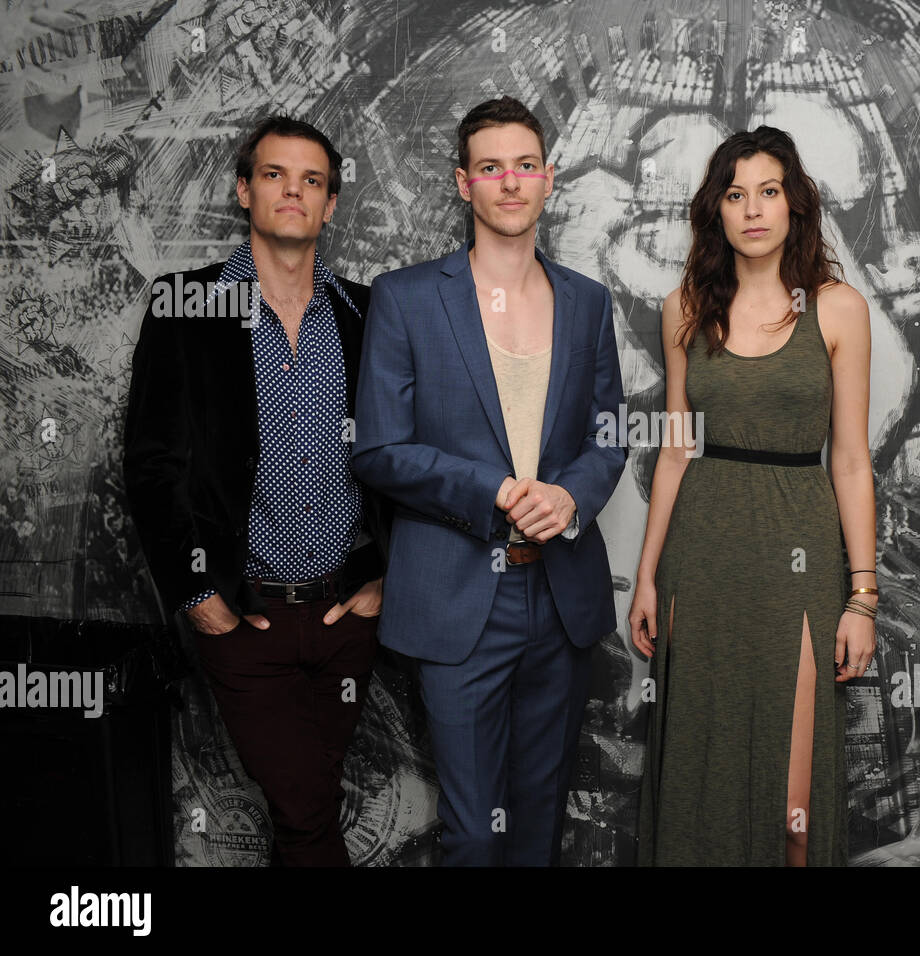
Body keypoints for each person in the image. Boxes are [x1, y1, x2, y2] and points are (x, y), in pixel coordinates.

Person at [350, 96, 626, 866]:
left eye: (526, 165)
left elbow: (609, 433)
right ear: (462, 183)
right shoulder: (405, 298)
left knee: (539, 821)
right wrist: (494, 491)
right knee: (474, 832)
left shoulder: (587, 302)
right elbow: (377, 449)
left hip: (561, 593)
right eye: (491, 167)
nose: (511, 182)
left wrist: (570, 495)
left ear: (549, 180)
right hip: (459, 593)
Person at [124, 115, 389, 866]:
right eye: (274, 174)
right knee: (308, 813)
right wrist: (197, 594)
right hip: (245, 618)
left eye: (312, 180)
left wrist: (382, 580)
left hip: (346, 618)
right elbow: (151, 463)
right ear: (244, 190)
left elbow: (406, 453)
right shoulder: (185, 305)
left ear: (332, 204)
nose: (293, 191)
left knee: (301, 812)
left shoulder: (370, 313)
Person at [630, 126, 877, 866]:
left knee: (794, 808)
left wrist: (862, 596)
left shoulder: (838, 309)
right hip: (700, 559)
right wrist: (646, 576)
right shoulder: (682, 307)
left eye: (769, 191)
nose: (753, 209)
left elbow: (855, 461)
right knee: (697, 776)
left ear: (794, 203)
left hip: (799, 558)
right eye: (735, 195)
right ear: (717, 212)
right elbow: (676, 449)